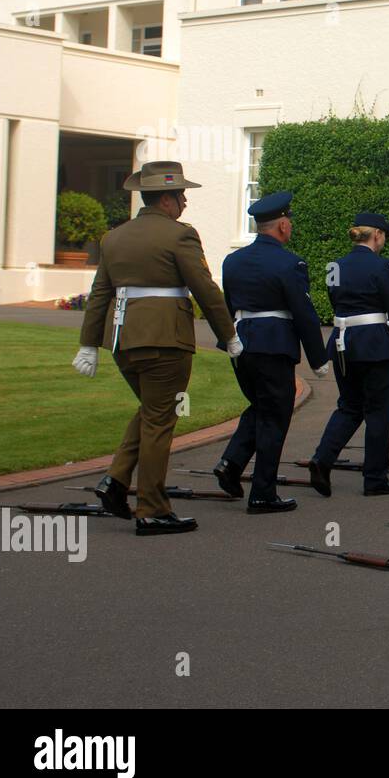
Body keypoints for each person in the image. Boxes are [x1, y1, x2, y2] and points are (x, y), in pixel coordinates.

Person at [73, 161, 238, 535]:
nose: (184, 202)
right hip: (165, 340)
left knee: (152, 411)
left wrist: (88, 345)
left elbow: (100, 295)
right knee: (162, 420)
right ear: (166, 199)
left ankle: (115, 481)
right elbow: (206, 289)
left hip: (122, 340)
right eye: (181, 195)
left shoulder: (114, 237)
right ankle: (151, 508)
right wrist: (228, 334)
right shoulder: (180, 235)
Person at [214, 191, 331, 513]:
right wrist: (319, 358)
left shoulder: (233, 261)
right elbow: (303, 313)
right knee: (275, 415)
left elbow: (226, 304)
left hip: (241, 343)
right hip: (273, 344)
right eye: (289, 221)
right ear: (280, 226)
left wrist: (228, 338)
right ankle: (263, 492)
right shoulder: (289, 263)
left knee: (262, 406)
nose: (291, 227)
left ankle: (231, 463)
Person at [307, 212, 389, 497]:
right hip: (374, 344)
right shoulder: (383, 266)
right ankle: (374, 478)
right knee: (378, 412)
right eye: (384, 237)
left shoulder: (335, 266)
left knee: (348, 405)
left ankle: (322, 459)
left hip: (343, 343)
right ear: (377, 235)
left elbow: (336, 300)